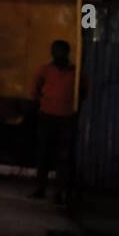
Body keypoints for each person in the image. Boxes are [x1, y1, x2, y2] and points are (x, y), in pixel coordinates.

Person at [30, 39, 85, 203]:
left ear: (67, 53)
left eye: (60, 51)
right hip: (47, 116)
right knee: (44, 154)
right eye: (55, 51)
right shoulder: (45, 70)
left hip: (67, 118)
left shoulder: (76, 72)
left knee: (63, 157)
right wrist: (43, 103)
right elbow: (35, 90)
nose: (56, 54)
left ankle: (60, 192)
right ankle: (40, 188)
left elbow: (83, 93)